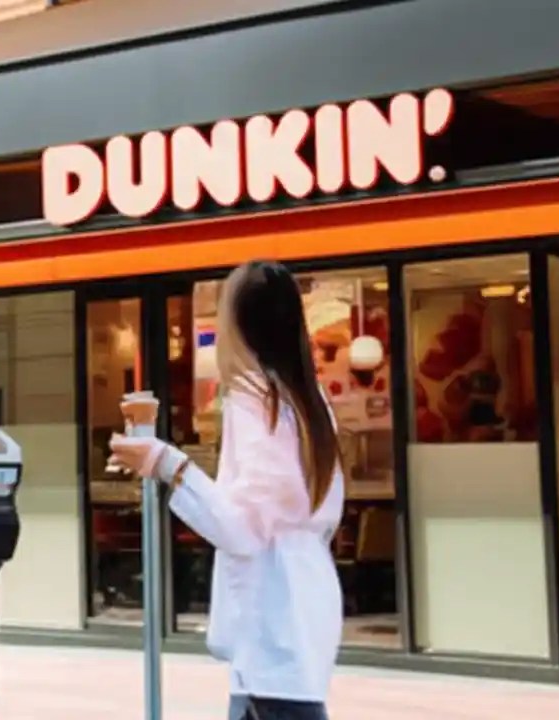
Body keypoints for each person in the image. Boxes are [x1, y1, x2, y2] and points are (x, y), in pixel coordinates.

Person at [110, 260, 344, 720]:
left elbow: (242, 527)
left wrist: (168, 464)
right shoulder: (311, 402)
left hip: (271, 629)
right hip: (300, 616)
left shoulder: (255, 400)